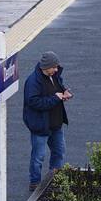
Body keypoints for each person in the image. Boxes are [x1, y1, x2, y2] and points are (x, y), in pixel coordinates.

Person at [23, 50, 71, 191]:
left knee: (59, 152)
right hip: (40, 126)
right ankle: (35, 182)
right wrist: (55, 98)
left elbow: (57, 90)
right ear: (45, 67)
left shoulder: (54, 76)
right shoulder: (33, 82)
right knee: (39, 156)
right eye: (54, 67)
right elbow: (34, 102)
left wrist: (64, 93)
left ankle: (55, 178)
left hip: (55, 123)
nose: (56, 70)